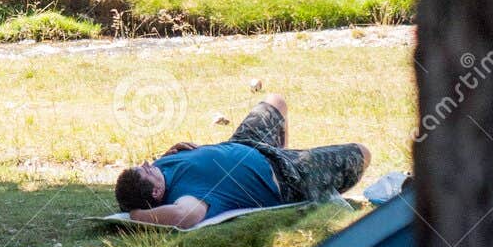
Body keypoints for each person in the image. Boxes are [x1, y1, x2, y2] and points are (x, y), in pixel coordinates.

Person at [114, 94, 369, 228]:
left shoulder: (162, 167)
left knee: (275, 101)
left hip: (246, 142)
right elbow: (186, 217)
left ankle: (285, 149)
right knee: (362, 153)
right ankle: (294, 160)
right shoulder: (186, 199)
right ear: (157, 193)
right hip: (286, 175)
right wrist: (137, 215)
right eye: (146, 171)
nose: (150, 163)